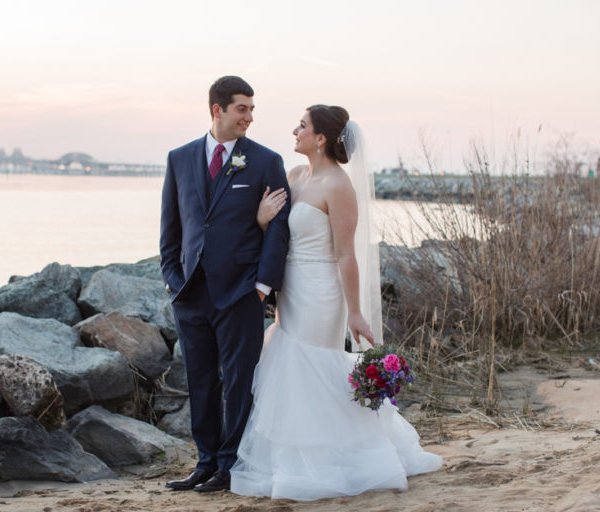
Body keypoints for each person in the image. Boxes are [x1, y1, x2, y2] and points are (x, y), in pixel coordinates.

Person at [230, 105, 443, 501]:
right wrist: (261, 221)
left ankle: (325, 464)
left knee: (309, 368)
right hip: (289, 288)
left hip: (322, 292)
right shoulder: (293, 176)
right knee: (286, 364)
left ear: (321, 138)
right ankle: (289, 462)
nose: (295, 130)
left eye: (303, 125)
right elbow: (277, 234)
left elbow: (347, 254)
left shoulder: (339, 186)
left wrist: (356, 312)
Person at [159, 76, 291, 492]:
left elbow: (279, 229)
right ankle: (205, 461)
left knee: (238, 383)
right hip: (191, 294)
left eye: (252, 110)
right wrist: (172, 281)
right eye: (242, 109)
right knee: (200, 380)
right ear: (218, 110)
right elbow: (171, 230)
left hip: (240, 293)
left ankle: (231, 466)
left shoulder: (266, 161)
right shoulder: (179, 158)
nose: (249, 117)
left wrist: (262, 286)